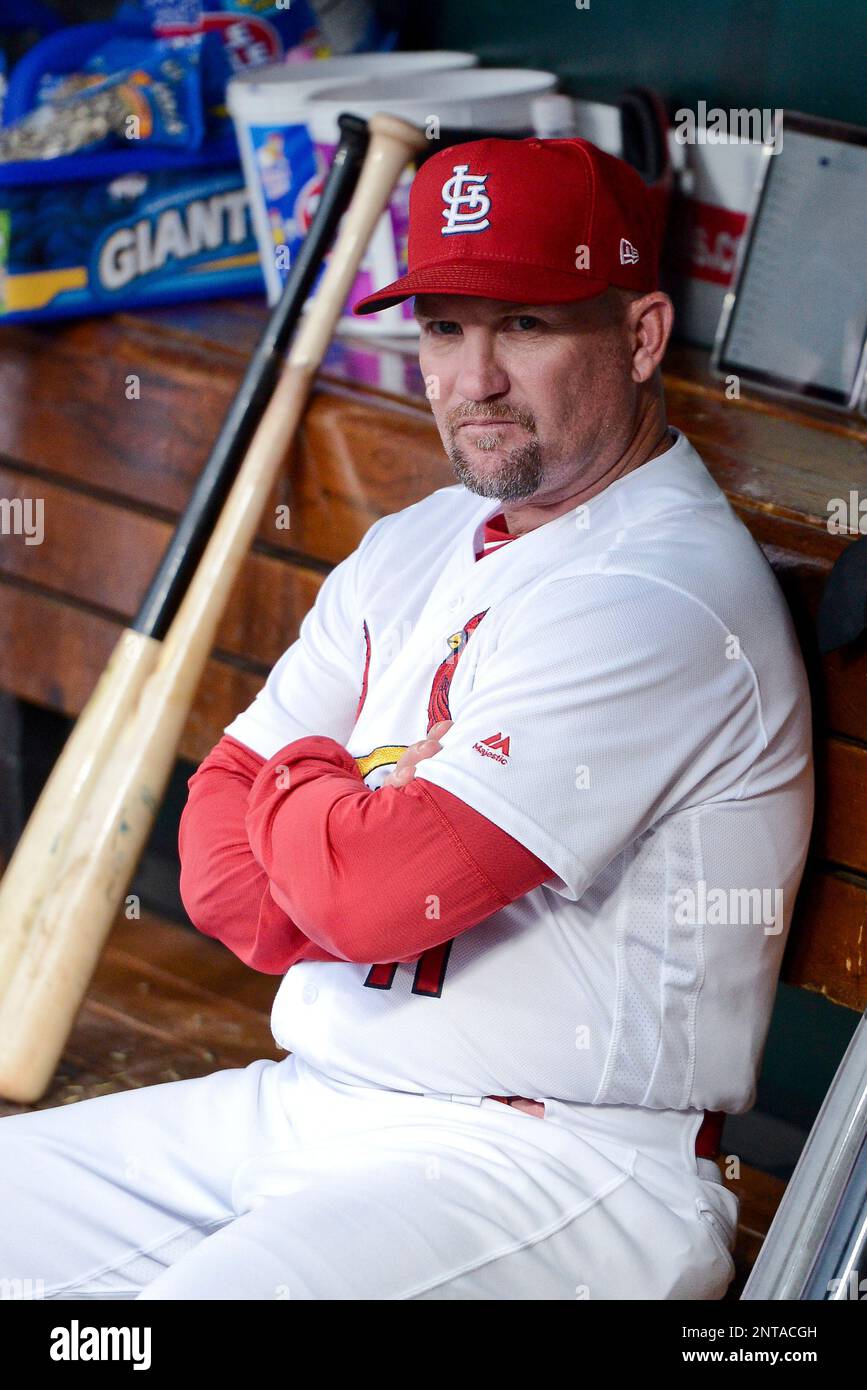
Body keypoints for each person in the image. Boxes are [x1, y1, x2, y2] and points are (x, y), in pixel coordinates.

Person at [0, 136, 813, 1300]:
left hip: (548, 1166)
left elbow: (376, 894)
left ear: (640, 336)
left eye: (526, 325)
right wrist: (358, 797)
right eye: (443, 327)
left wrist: (315, 793)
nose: (473, 377)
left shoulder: (663, 594)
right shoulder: (415, 542)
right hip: (305, 1106)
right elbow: (219, 877)